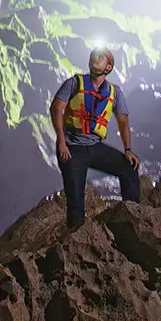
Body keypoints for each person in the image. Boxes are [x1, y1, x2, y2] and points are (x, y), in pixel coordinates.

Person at [49, 47, 141, 229]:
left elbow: (123, 122)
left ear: (108, 67)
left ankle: (132, 220)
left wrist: (128, 150)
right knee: (75, 201)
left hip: (95, 147)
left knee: (129, 170)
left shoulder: (115, 93)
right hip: (72, 147)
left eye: (100, 58)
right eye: (93, 56)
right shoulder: (74, 83)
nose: (95, 59)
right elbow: (56, 108)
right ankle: (76, 240)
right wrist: (61, 141)